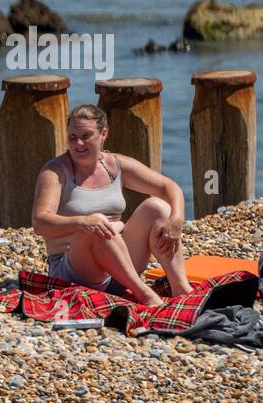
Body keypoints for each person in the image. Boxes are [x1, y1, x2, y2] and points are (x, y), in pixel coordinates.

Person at [31, 104, 190, 306]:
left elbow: (169, 187)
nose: (78, 143)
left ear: (103, 133)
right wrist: (83, 222)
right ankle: (146, 296)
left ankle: (180, 289)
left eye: (86, 136)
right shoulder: (55, 172)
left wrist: (176, 220)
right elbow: (40, 222)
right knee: (97, 224)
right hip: (73, 272)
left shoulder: (115, 165)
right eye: (72, 137)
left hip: (119, 269)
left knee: (158, 208)